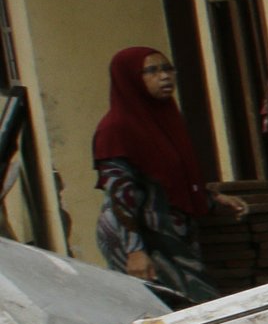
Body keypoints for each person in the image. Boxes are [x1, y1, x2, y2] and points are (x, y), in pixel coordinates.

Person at [92, 46, 239, 304]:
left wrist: (210, 198)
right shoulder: (115, 128)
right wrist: (134, 250)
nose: (164, 77)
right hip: (137, 233)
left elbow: (170, 175)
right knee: (172, 304)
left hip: (166, 228)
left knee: (189, 301)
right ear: (130, 79)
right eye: (151, 71)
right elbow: (120, 193)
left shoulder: (166, 118)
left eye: (167, 68)